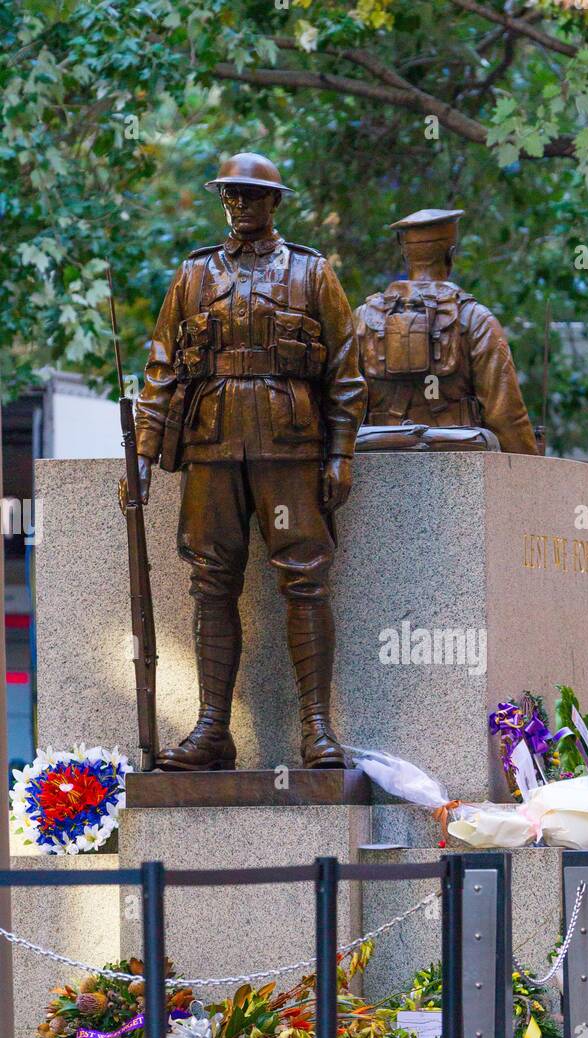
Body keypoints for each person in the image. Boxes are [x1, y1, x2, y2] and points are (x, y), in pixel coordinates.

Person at [132, 152, 366, 771]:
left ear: (274, 203)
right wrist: (144, 452)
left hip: (288, 446)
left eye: (253, 196)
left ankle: (317, 728)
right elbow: (160, 366)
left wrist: (340, 453)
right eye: (232, 196)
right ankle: (212, 729)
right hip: (212, 445)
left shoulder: (313, 273)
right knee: (211, 582)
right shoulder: (194, 274)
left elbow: (345, 370)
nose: (241, 205)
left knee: (305, 578)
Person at [355, 208, 538, 455]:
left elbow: (344, 402)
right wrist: (531, 478)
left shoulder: (364, 318)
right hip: (462, 468)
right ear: (451, 255)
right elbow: (505, 415)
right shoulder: (476, 320)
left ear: (405, 256)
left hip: (378, 464)